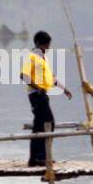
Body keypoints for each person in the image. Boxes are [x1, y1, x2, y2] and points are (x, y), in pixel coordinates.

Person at [20, 30, 72, 167]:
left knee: (39, 126)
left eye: (48, 46)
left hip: (44, 95)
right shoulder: (32, 57)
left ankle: (34, 159)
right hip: (36, 95)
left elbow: (51, 77)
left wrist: (64, 89)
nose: (47, 48)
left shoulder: (44, 58)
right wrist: (38, 87)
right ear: (37, 43)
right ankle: (42, 156)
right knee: (49, 122)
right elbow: (24, 76)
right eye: (45, 45)